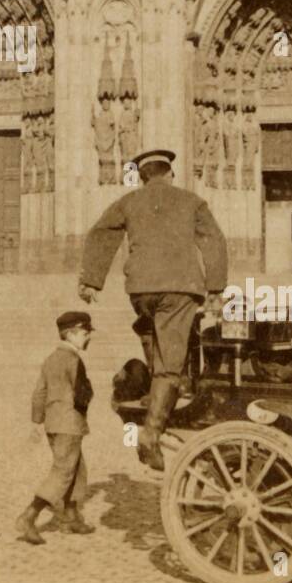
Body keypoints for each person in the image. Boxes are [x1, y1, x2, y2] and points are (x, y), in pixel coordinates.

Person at [78, 147, 228, 471]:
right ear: (169, 173)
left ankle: (153, 391)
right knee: (170, 366)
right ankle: (152, 432)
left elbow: (101, 232)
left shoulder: (129, 202)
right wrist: (215, 288)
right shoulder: (191, 201)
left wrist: (91, 280)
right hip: (179, 289)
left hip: (141, 289)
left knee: (151, 328)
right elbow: (213, 239)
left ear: (143, 176)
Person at [17, 311, 95, 545]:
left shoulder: (51, 358)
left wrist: (37, 422)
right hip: (70, 424)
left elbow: (39, 392)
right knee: (63, 472)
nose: (88, 337)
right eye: (84, 333)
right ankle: (29, 516)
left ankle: (71, 516)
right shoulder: (74, 360)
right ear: (70, 334)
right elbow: (83, 395)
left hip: (54, 423)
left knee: (78, 470)